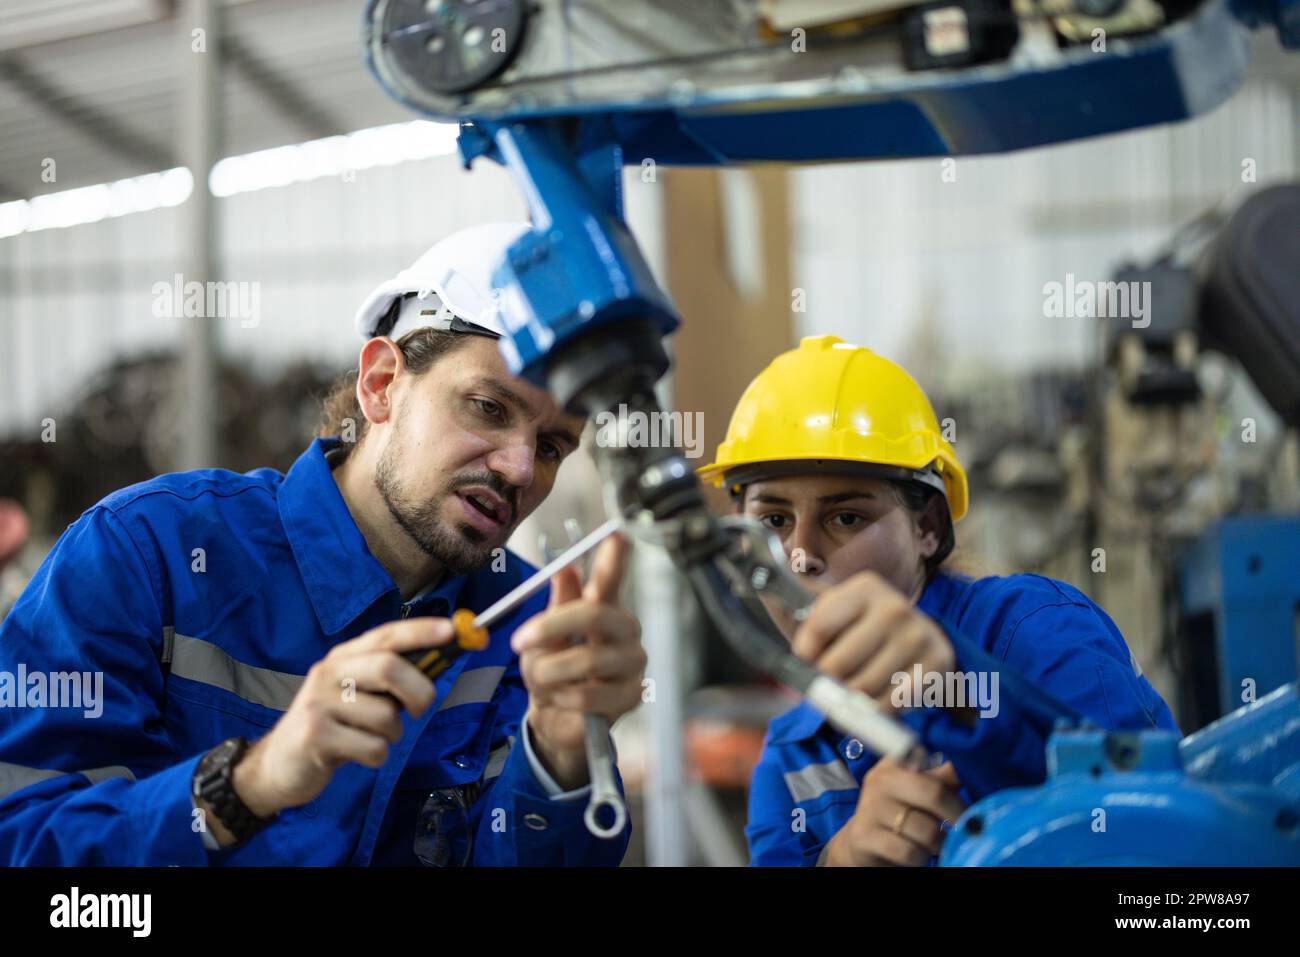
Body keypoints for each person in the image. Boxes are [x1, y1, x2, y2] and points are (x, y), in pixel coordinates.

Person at [0, 221, 646, 866]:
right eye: (488, 407)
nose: (519, 468)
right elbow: (25, 841)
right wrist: (249, 784)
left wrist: (559, 759)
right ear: (381, 384)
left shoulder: (532, 630)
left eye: (551, 446)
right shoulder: (147, 555)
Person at [697, 335, 1177, 866]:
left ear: (926, 527)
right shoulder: (791, 755)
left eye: (845, 517)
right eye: (773, 520)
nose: (801, 555)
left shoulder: (1032, 628)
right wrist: (841, 858)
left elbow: (1158, 832)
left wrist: (959, 694)